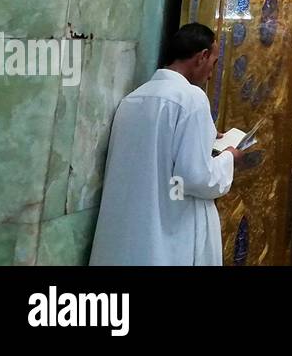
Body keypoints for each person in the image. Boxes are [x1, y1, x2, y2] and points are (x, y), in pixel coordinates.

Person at [91, 23, 243, 265]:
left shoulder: (133, 98)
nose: (211, 74)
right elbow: (196, 178)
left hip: (128, 234)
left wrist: (205, 138)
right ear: (201, 57)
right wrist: (228, 157)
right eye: (213, 63)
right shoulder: (192, 98)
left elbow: (154, 154)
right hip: (169, 236)